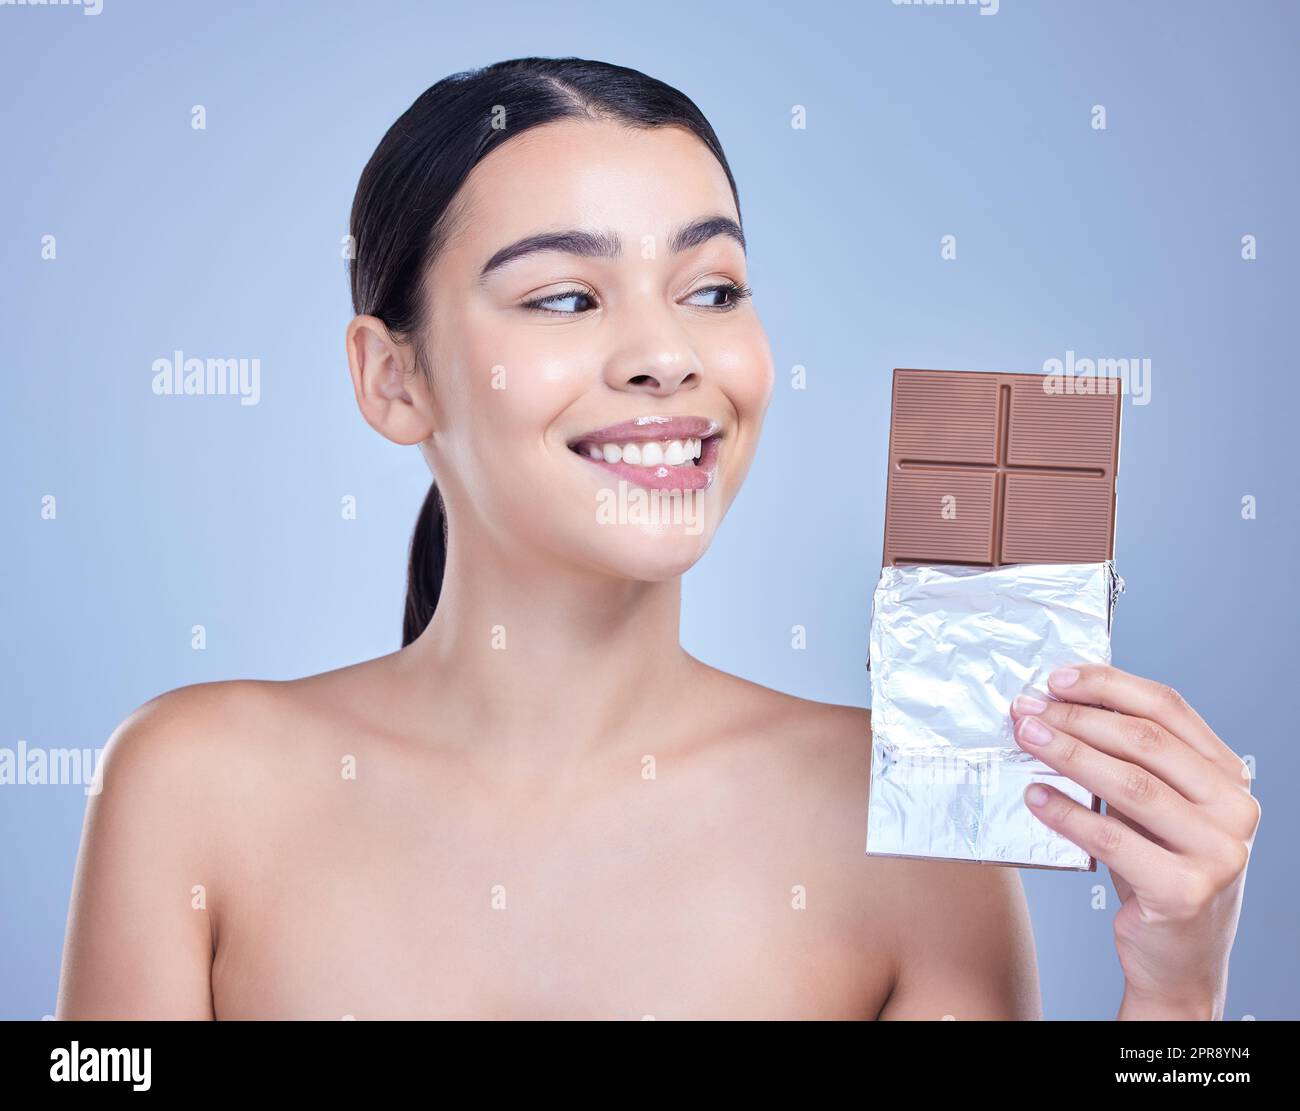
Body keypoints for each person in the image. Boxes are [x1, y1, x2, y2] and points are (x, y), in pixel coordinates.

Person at [55, 57, 1258, 1020]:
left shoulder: (908, 827)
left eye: (712, 289)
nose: (667, 353)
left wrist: (1176, 996)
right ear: (392, 377)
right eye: (567, 298)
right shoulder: (193, 786)